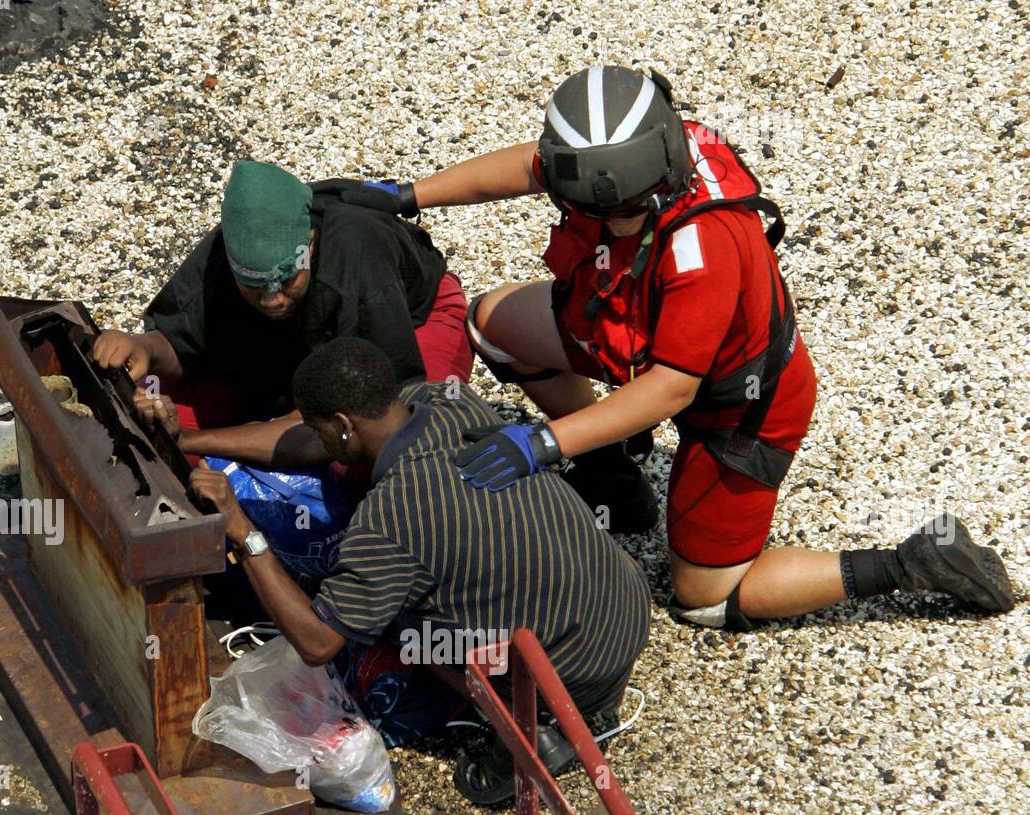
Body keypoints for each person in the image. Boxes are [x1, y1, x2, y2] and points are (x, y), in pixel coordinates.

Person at [339, 65, 1015, 629]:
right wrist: (405, 195)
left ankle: (907, 565)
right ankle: (612, 477)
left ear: (659, 174)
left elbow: (670, 388)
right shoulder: (643, 147)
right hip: (633, 330)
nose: (611, 223)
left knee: (703, 600)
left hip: (737, 406)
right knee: (493, 323)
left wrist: (543, 443)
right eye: (594, 209)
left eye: (625, 211)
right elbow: (532, 166)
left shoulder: (704, 249)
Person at [187, 337, 652, 805]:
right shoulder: (446, 403)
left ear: (345, 425)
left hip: (567, 679)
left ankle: (522, 728)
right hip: (623, 613)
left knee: (397, 625)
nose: (316, 441)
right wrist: (191, 440)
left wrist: (244, 531)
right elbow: (313, 444)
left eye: (320, 430)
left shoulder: (390, 520)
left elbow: (316, 643)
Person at [91, 160, 473, 469]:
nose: (272, 300)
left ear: (308, 244)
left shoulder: (356, 261)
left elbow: (356, 421)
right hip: (293, 345)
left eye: (286, 280)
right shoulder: (221, 261)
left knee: (381, 454)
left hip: (416, 320)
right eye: (254, 288)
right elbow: (184, 341)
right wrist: (144, 346)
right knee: (145, 407)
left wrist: (191, 442)